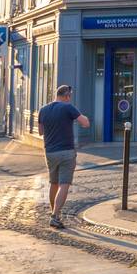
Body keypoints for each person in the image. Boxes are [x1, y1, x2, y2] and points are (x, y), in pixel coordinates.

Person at [37, 84, 90, 229]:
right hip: (66, 151)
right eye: (69, 96)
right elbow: (85, 123)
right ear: (66, 96)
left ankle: (54, 213)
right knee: (64, 184)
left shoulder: (43, 109)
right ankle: (55, 216)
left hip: (49, 152)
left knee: (53, 184)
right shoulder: (68, 107)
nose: (69, 99)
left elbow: (41, 132)